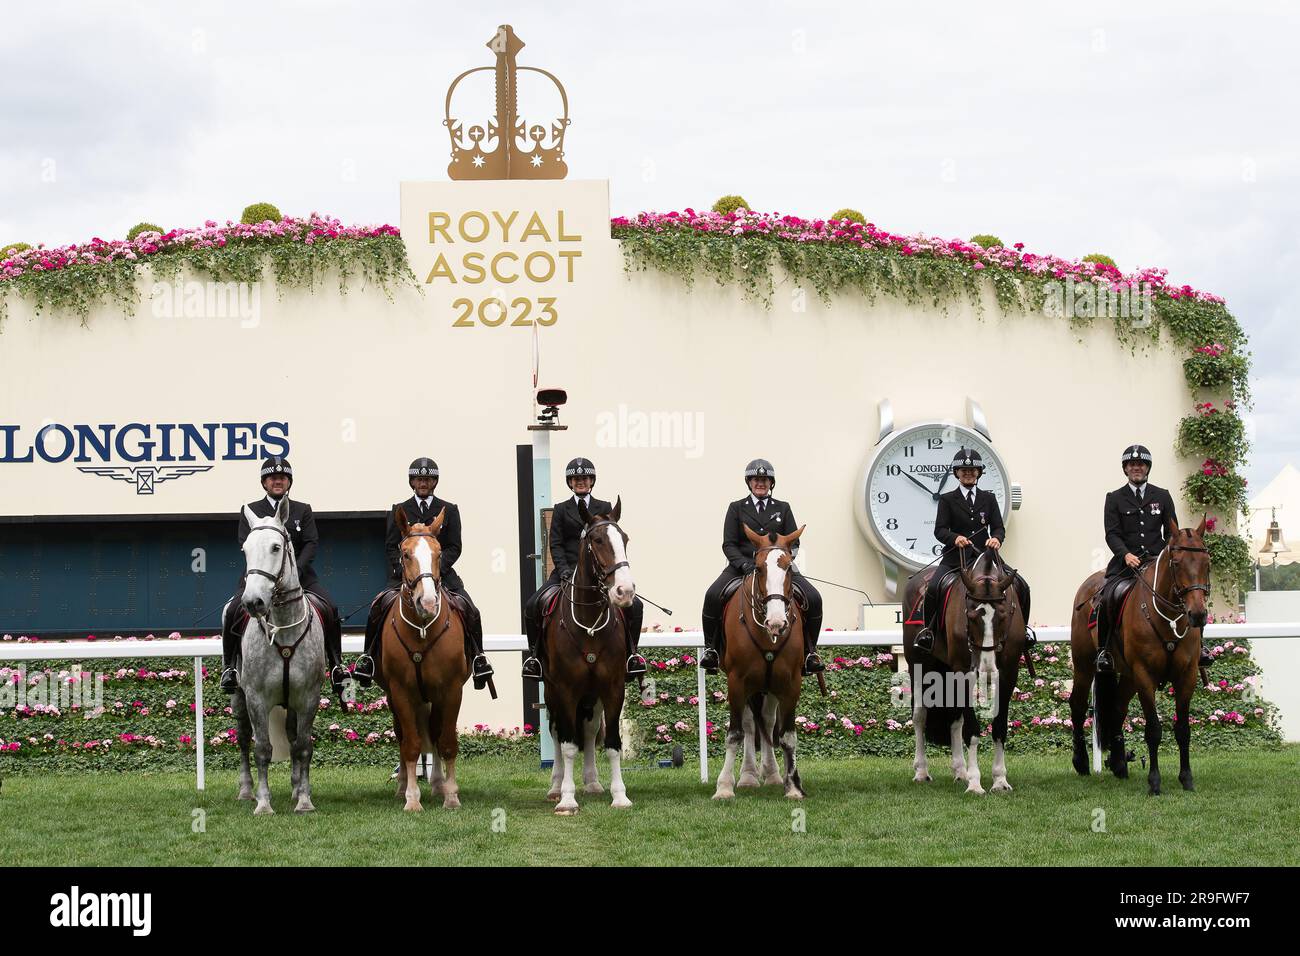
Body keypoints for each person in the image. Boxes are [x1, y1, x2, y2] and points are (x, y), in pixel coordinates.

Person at [352, 458, 493, 690]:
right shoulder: (399, 509)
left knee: (470, 609)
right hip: (406, 575)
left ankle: (478, 658)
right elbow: (390, 546)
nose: (423, 483)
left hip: (441, 574)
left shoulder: (450, 509)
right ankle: (368, 658)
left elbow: (454, 546)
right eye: (419, 479)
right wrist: (401, 570)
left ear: (434, 482)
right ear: (412, 482)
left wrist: (435, 570)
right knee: (377, 607)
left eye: (427, 479)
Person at [219, 456, 348, 700]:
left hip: (299, 576)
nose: (278, 481)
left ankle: (336, 666)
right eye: (272, 478)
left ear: (289, 482)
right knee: (233, 610)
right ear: (264, 482)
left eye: (282, 478)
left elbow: (311, 542)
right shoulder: (252, 511)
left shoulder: (302, 509)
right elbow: (245, 543)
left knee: (330, 607)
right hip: (261, 576)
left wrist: (296, 569)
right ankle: (230, 668)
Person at [522, 457, 646, 681]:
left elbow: (611, 544)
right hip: (566, 572)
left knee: (635, 605)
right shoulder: (561, 509)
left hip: (600, 576)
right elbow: (556, 544)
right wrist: (565, 571)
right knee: (533, 604)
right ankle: (535, 659)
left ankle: (631, 655)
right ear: (570, 482)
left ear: (592, 481)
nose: (580, 482)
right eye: (576, 478)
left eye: (585, 478)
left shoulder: (605, 508)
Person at [699, 459, 824, 675]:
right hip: (743, 566)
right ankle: (712, 650)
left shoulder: (783, 508)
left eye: (765, 480)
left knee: (814, 598)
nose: (760, 483)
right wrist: (745, 564)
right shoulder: (736, 508)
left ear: (771, 483)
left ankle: (810, 652)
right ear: (749, 482)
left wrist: (784, 562)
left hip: (778, 568)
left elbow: (794, 542)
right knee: (712, 595)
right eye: (756, 479)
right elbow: (728, 544)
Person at [1096, 444, 1209, 672]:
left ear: (1147, 468)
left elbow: (1172, 533)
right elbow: (1112, 533)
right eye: (1132, 465)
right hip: (1126, 564)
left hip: (1158, 562)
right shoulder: (1115, 498)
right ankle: (1105, 650)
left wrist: (1168, 555)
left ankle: (1200, 647)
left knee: (1190, 594)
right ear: (1125, 469)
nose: (1136, 468)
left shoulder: (1163, 496)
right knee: (1108, 596)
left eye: (1141, 465)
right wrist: (1125, 554)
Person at [914, 448, 1030, 652]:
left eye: (972, 470)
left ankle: (1024, 631)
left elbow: (998, 527)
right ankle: (929, 632)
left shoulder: (989, 498)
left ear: (979, 472)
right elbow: (940, 530)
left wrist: (996, 538)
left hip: (985, 556)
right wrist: (955, 538)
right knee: (933, 588)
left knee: (1022, 585)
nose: (968, 473)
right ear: (957, 473)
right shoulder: (947, 499)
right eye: (964, 470)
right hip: (955, 557)